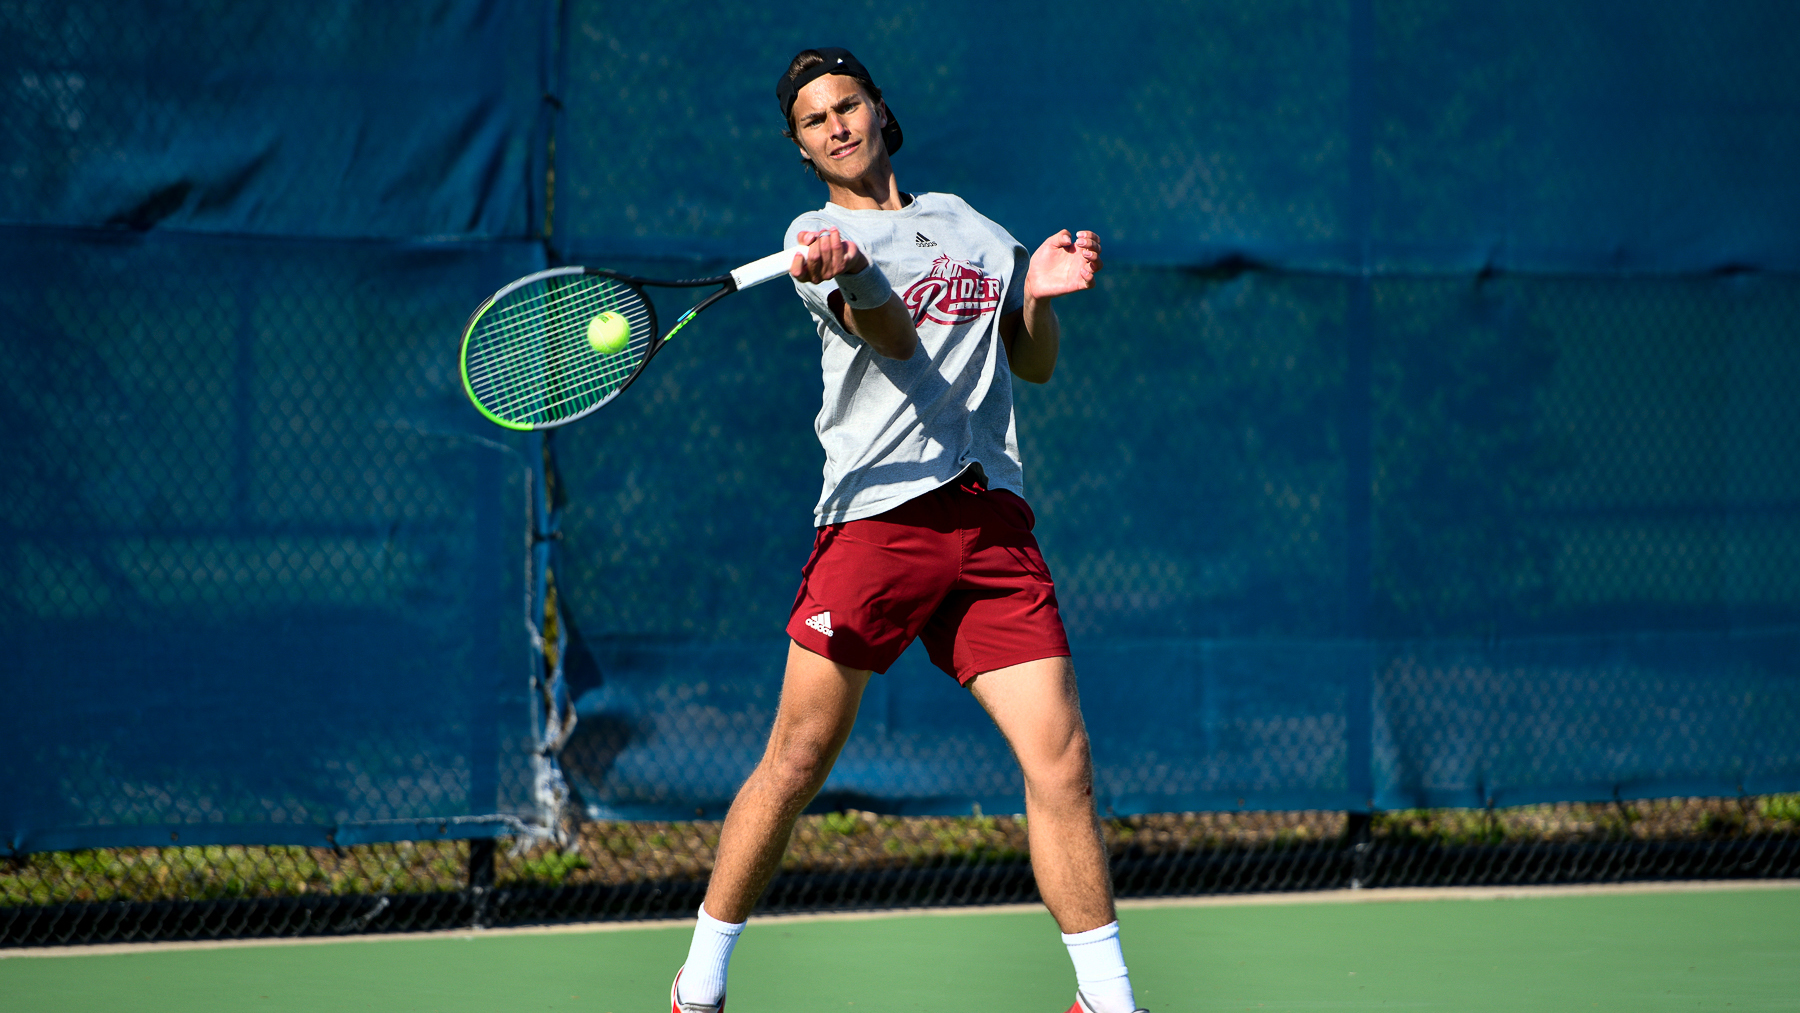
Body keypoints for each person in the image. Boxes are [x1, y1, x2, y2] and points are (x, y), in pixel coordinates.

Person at [669, 48, 1141, 1013]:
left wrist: (1039, 296)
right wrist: (858, 277)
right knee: (798, 760)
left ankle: (1109, 1000)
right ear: (802, 149)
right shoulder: (815, 236)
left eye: (848, 105)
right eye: (814, 120)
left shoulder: (969, 224)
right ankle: (701, 982)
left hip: (991, 518)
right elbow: (889, 339)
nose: (836, 124)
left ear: (882, 113)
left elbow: (1033, 365)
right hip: (876, 524)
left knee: (1064, 760)